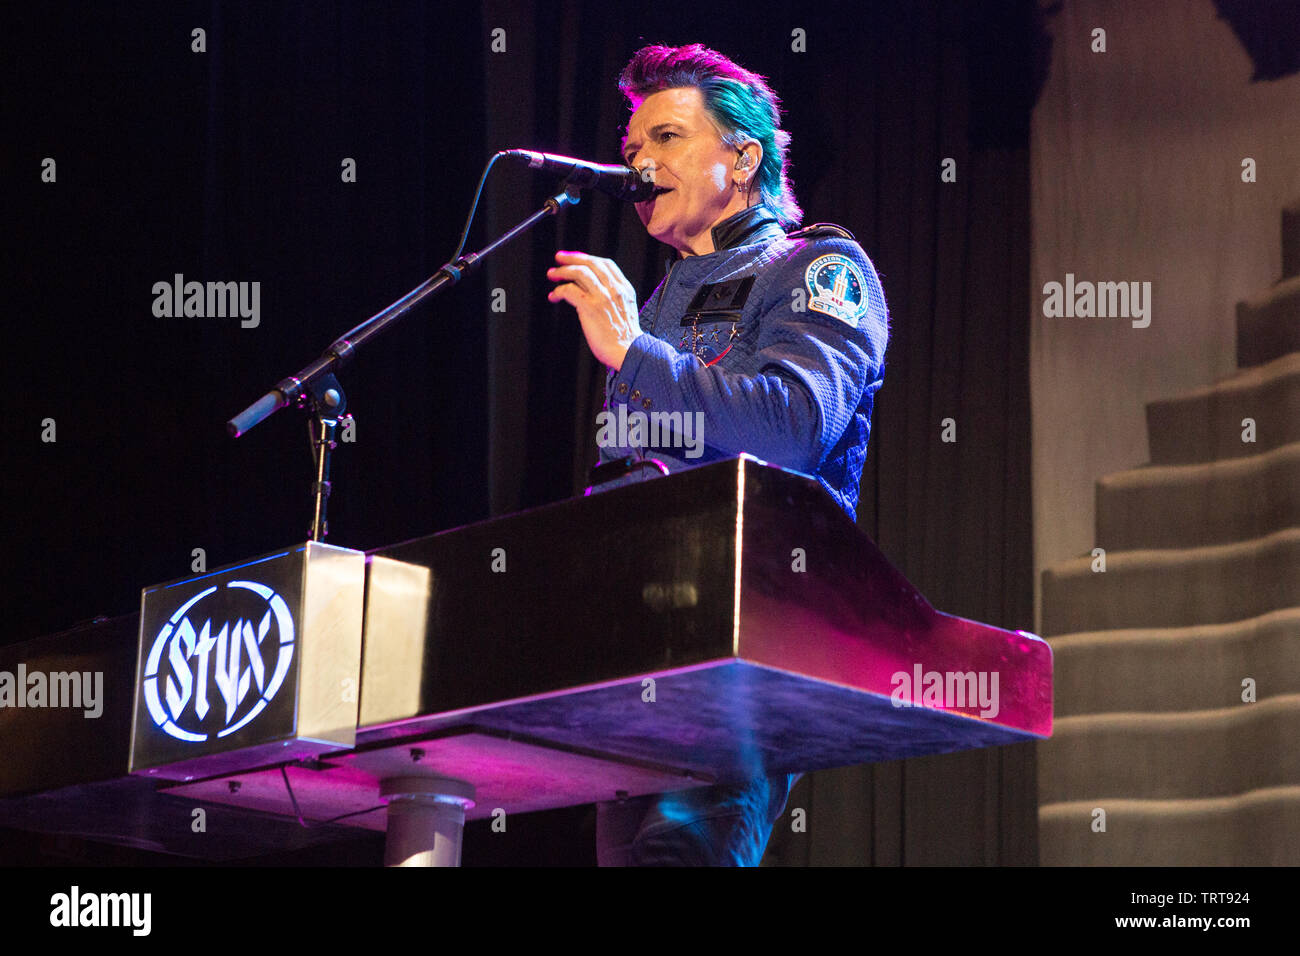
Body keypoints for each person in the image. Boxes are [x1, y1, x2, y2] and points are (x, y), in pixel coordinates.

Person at [546, 43, 889, 866]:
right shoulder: (658, 302)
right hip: (642, 642)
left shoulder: (819, 267)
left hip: (751, 633)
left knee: (683, 854)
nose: (638, 164)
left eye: (666, 138)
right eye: (632, 149)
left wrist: (635, 355)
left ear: (742, 159)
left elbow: (792, 426)